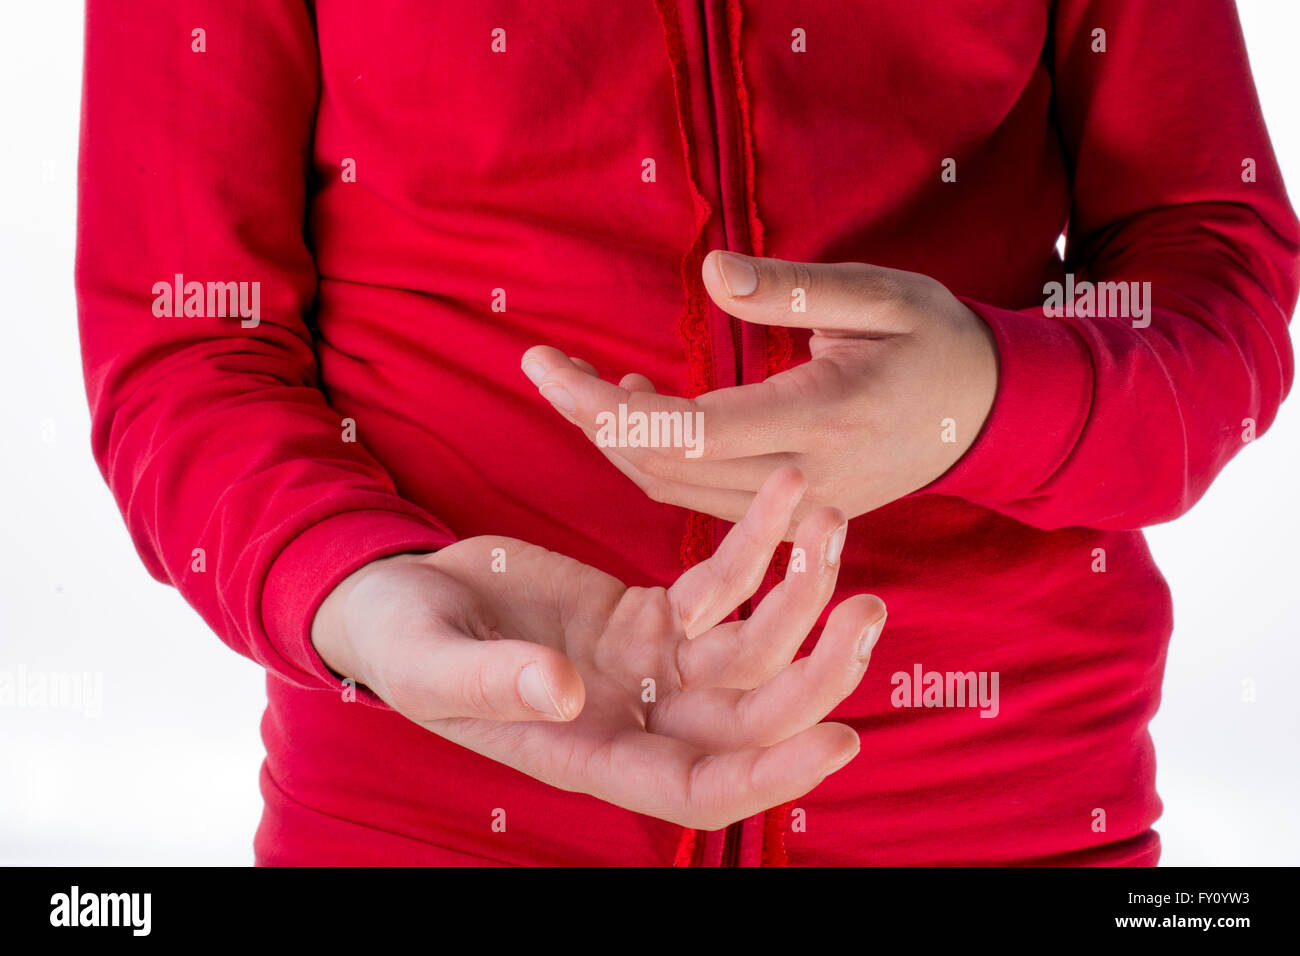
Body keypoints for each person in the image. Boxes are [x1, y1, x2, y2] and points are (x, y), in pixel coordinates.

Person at [76, 0, 1298, 865]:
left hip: (1009, 810)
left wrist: (981, 399)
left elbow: (1217, 276)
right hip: (434, 809)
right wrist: (352, 590)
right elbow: (188, 349)